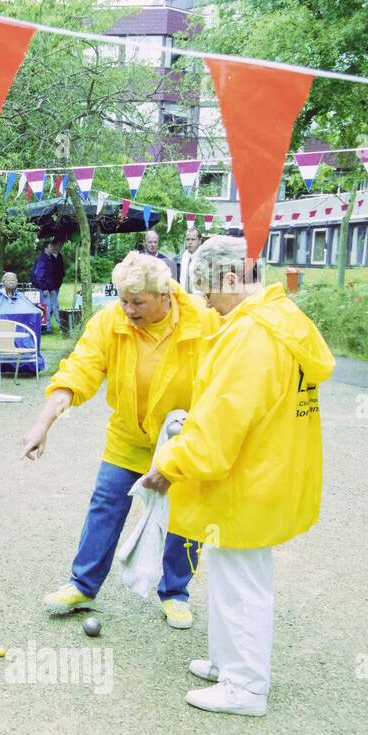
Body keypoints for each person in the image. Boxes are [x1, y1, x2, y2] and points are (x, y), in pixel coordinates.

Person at [141, 236, 334, 716]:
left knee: (241, 580)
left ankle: (246, 686)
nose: (207, 304)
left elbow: (223, 423)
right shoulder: (283, 320)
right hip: (268, 471)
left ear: (231, 279)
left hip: (248, 479)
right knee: (232, 574)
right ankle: (231, 663)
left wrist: (170, 463)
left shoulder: (250, 334)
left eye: (208, 293)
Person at [21, 251, 221, 628]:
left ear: (164, 296)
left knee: (184, 516)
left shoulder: (202, 318)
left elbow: (228, 374)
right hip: (128, 436)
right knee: (106, 505)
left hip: (182, 439)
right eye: (123, 300)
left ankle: (175, 592)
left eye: (137, 302)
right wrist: (43, 423)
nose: (127, 309)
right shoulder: (110, 321)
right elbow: (78, 371)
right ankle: (82, 585)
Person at [31, 237, 65, 331]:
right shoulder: (42, 259)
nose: (53, 248)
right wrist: (44, 287)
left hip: (51, 287)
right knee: (46, 307)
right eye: (51, 247)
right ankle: (47, 328)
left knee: (55, 305)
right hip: (45, 288)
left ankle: (61, 326)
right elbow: (39, 275)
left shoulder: (48, 258)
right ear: (46, 248)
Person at [177, 227, 201, 293]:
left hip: (200, 298)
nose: (190, 242)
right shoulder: (185, 255)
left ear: (199, 240)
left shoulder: (204, 256)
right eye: (187, 239)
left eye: (193, 239)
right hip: (185, 297)